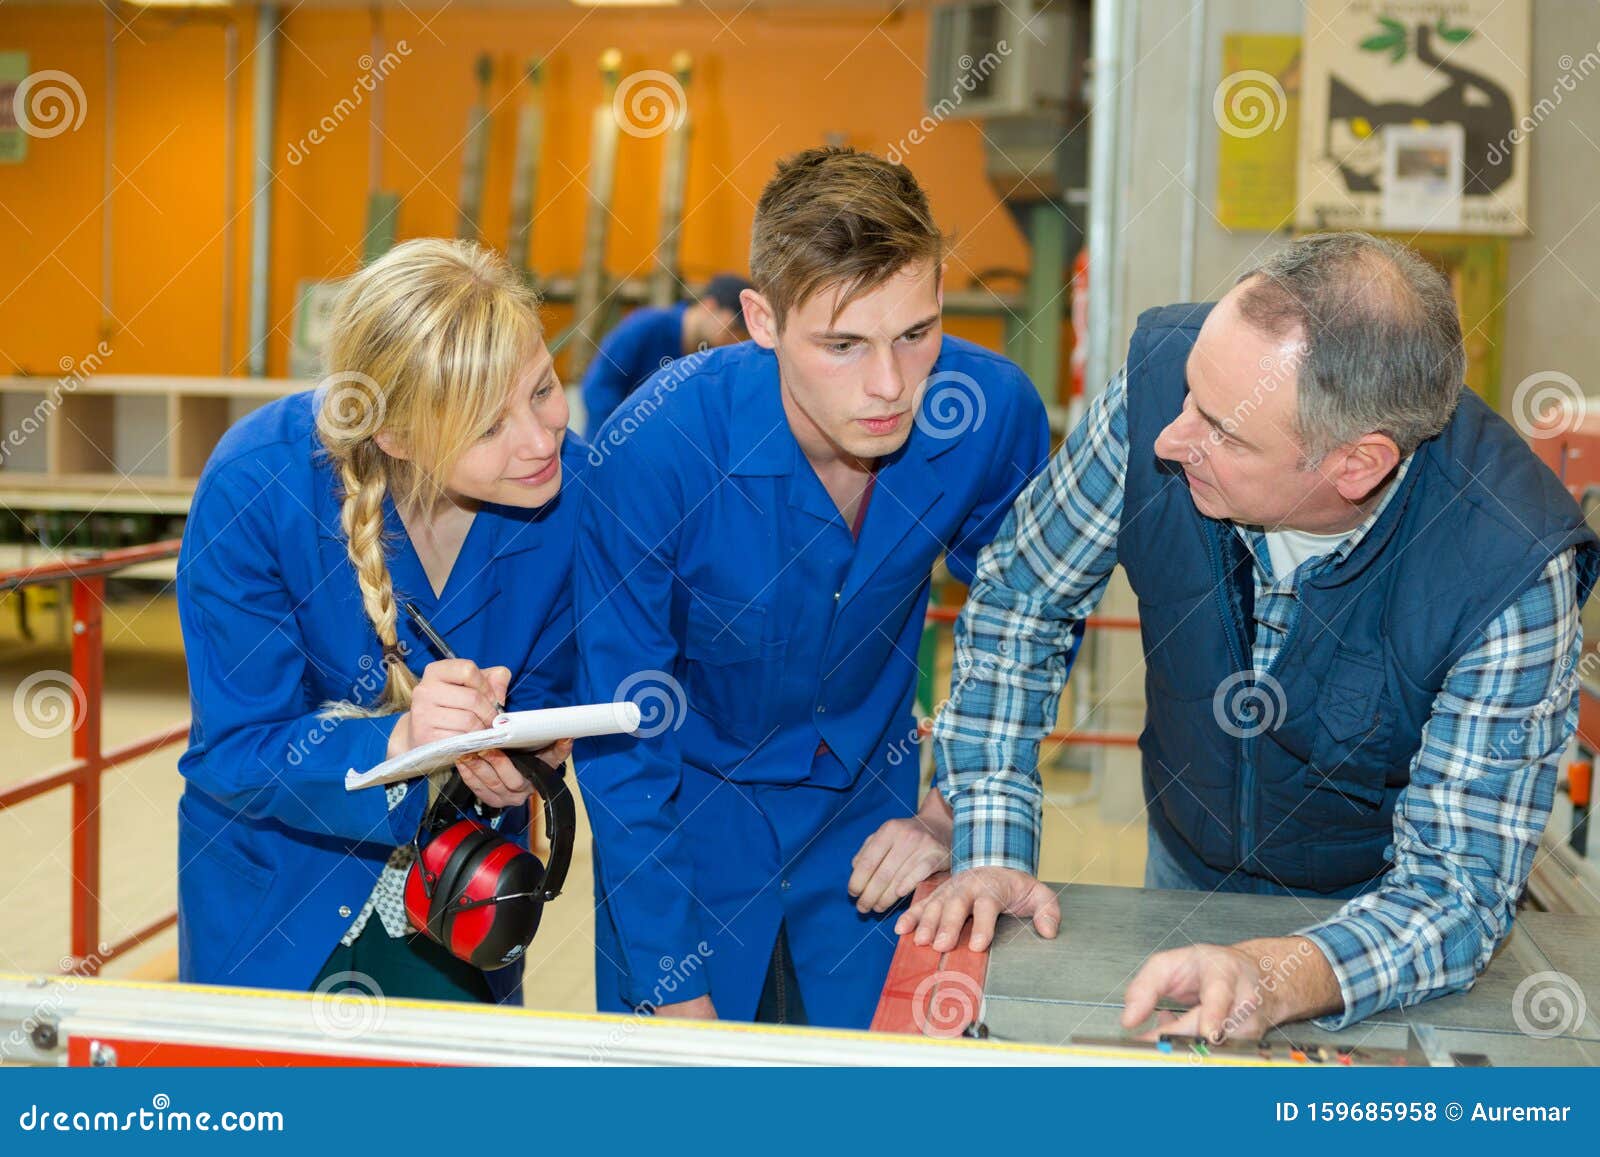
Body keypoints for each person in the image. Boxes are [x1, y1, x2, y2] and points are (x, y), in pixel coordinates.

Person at [902, 230, 1600, 1038]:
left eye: (1224, 433)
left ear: (1358, 465)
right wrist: (990, 833)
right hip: (1182, 860)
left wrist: (1277, 973)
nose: (1170, 438)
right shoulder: (1167, 387)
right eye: (1190, 395)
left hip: (1374, 922)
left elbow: (1453, 892)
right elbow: (1024, 593)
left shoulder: (1509, 567)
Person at [572, 146, 1052, 1029]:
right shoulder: (654, 448)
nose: (890, 385)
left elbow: (1026, 625)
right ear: (762, 320)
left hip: (873, 841)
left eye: (917, 332)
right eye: (842, 344)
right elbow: (620, 734)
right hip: (681, 839)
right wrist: (678, 998)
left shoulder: (990, 414)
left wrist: (952, 809)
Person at [176, 238, 582, 1005]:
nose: (540, 438)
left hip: (462, 899)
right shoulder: (256, 483)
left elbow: (571, 692)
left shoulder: (571, 494)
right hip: (276, 904)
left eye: (544, 388)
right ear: (395, 437)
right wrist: (399, 742)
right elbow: (233, 751)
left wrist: (532, 753)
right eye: (487, 427)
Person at [579, 274, 752, 439]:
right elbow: (597, 390)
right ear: (709, 306)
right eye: (734, 328)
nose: (734, 339)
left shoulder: (712, 359)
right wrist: (615, 446)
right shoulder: (646, 327)